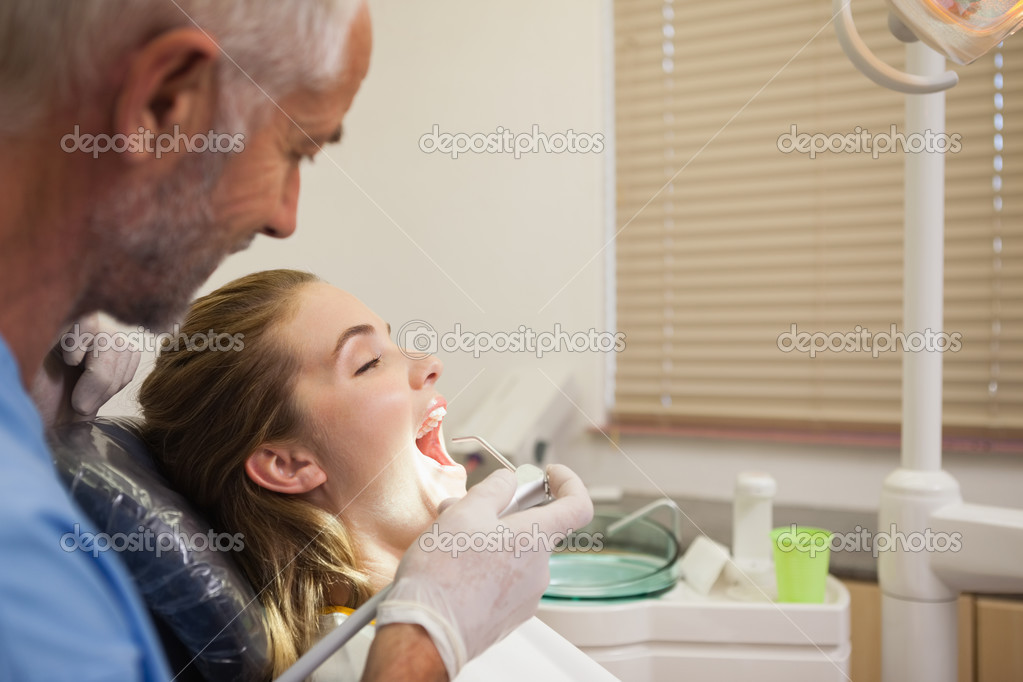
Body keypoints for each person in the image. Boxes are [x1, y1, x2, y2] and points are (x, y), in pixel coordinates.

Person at [0, 1, 593, 680]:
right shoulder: (21, 556)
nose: (287, 217)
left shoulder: (23, 443)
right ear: (165, 98)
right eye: (291, 150)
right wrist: (427, 639)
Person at [138, 269, 596, 680]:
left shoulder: (467, 605)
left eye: (393, 343)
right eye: (368, 362)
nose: (429, 364)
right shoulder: (365, 661)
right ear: (288, 463)